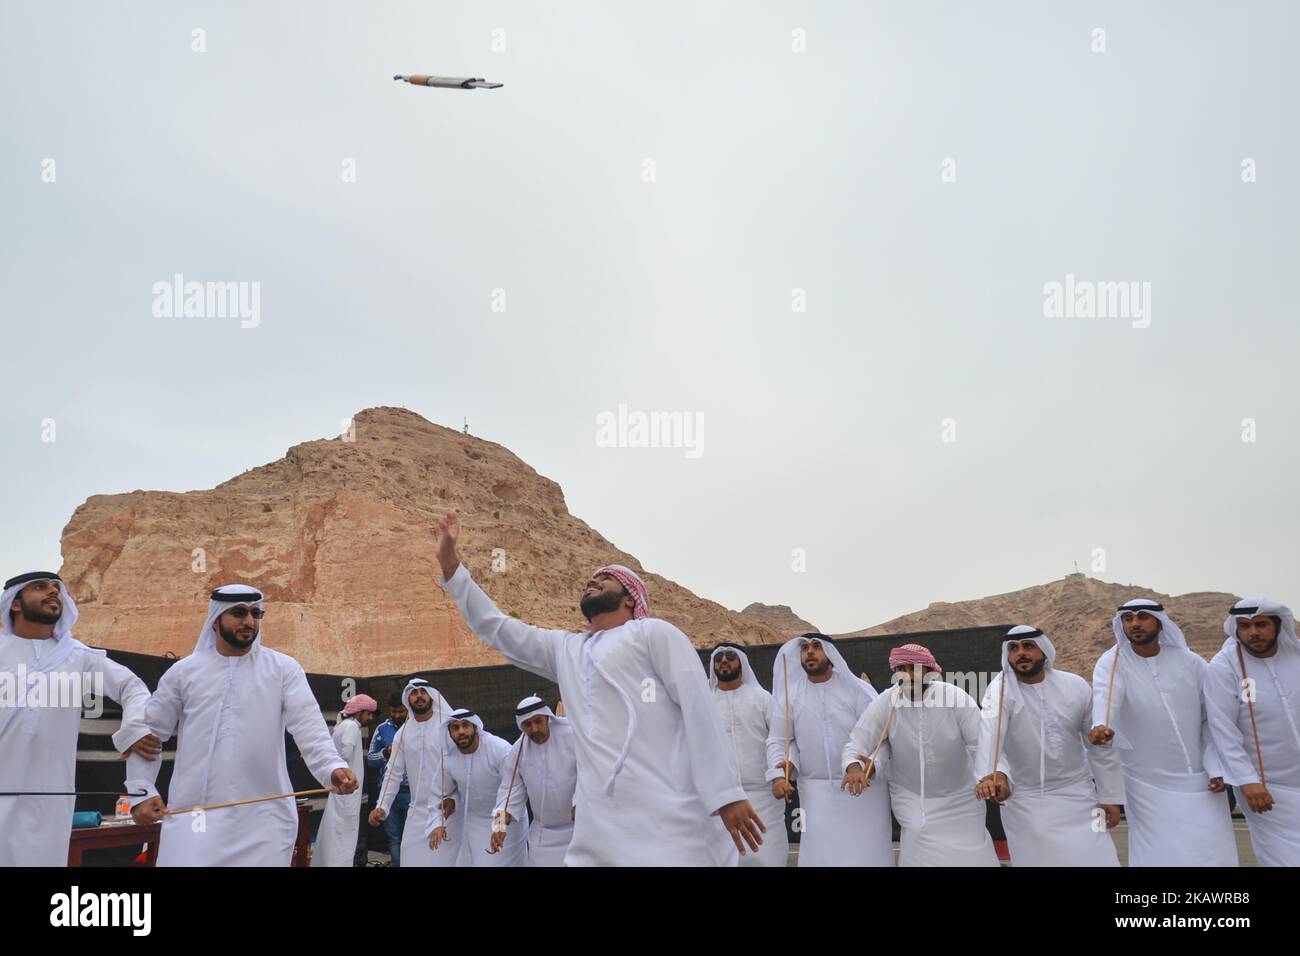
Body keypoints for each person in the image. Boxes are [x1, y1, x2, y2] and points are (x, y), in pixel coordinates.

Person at [432, 510, 762, 865]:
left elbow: (700, 708)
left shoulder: (655, 633)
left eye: (606, 579)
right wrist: (453, 569)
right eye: (591, 578)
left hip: (668, 818)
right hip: (598, 829)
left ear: (631, 598)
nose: (593, 581)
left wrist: (725, 794)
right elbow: (497, 628)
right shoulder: (567, 649)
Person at [127, 584, 355, 865]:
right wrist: (141, 791)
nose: (249, 621)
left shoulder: (283, 669)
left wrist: (332, 767)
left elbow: (310, 730)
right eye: (238, 613)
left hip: (264, 823)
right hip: (194, 819)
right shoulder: (184, 673)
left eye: (255, 613)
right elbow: (148, 737)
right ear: (216, 618)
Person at [0, 571, 155, 866]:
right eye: (40, 587)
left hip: (50, 801)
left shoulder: (78, 657)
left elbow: (131, 687)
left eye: (57, 588)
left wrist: (134, 729)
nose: (52, 592)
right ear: (15, 604)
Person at [1088, 601, 1237, 866]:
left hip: (1200, 777)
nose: (1134, 624)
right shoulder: (1112, 663)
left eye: (1143, 617)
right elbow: (1106, 695)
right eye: (1128, 619)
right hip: (1145, 781)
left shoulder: (1190, 661)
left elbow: (1212, 717)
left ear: (1159, 622)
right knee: (1156, 853)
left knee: (1210, 847)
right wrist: (1101, 724)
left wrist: (1216, 766)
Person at [976, 626, 1122, 866]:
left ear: (1043, 651)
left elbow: (1099, 745)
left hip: (1079, 795)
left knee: (1100, 856)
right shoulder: (1000, 691)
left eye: (1028, 646)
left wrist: (1110, 796)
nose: (1020, 653)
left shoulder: (1075, 686)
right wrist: (994, 773)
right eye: (1013, 648)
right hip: (1026, 800)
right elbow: (991, 737)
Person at [843, 644, 997, 867]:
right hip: (913, 799)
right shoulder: (888, 700)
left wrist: (986, 776)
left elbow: (980, 745)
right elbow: (856, 741)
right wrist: (853, 767)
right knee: (918, 854)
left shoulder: (954, 697)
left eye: (913, 668)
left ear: (928, 671)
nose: (907, 675)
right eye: (901, 669)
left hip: (961, 799)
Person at [768, 633, 893, 867]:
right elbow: (780, 740)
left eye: (817, 646)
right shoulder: (791, 694)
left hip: (863, 793)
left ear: (831, 653)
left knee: (865, 857)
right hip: (815, 796)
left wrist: (870, 768)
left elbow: (882, 741)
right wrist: (779, 773)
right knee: (820, 858)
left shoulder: (857, 690)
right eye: (804, 648)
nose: (810, 652)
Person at [1205, 598, 1300, 866]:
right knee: (1284, 859)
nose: (1253, 632)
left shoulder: (1297, 656)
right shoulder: (1224, 667)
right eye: (1244, 626)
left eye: (1261, 624)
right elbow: (1223, 729)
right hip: (1266, 786)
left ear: (1278, 625)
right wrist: (1247, 781)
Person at [709, 643, 789, 866]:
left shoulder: (762, 698)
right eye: (719, 657)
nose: (724, 660)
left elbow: (780, 740)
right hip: (721, 797)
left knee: (766, 856)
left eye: (730, 656)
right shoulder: (704, 702)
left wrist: (779, 775)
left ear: (741, 662)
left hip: (763, 796)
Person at [369, 678, 459, 867]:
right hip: (417, 811)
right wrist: (382, 806)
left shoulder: (450, 727)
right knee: (410, 859)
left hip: (447, 810)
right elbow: (393, 772)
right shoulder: (403, 733)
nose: (418, 696)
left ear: (431, 696)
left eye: (422, 692)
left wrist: (455, 799)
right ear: (407, 699)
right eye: (413, 692)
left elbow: (463, 768)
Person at [428, 708, 528, 866]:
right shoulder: (449, 758)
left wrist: (499, 825)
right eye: (455, 728)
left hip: (506, 823)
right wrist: (438, 822)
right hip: (474, 824)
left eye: (465, 725)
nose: (461, 731)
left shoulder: (499, 749)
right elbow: (440, 792)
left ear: (475, 727)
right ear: (449, 733)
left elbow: (513, 789)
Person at [491, 696, 577, 866]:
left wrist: (580, 800)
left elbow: (590, 773)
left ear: (547, 718)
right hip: (544, 836)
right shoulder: (517, 752)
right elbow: (508, 793)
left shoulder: (573, 735)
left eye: (538, 721)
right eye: (527, 725)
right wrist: (498, 826)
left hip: (579, 829)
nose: (535, 729)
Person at [312, 693, 378, 867]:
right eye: (368, 713)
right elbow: (346, 753)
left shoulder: (344, 725)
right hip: (347, 791)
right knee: (344, 833)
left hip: (343, 790)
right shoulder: (351, 727)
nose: (370, 717)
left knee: (337, 831)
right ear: (359, 712)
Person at [367, 692, 410, 865]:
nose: (397, 715)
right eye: (394, 711)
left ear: (408, 708)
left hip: (412, 793)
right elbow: (370, 760)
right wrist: (385, 752)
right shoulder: (382, 729)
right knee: (394, 839)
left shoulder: (418, 727)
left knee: (412, 837)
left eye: (401, 711)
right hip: (387, 793)